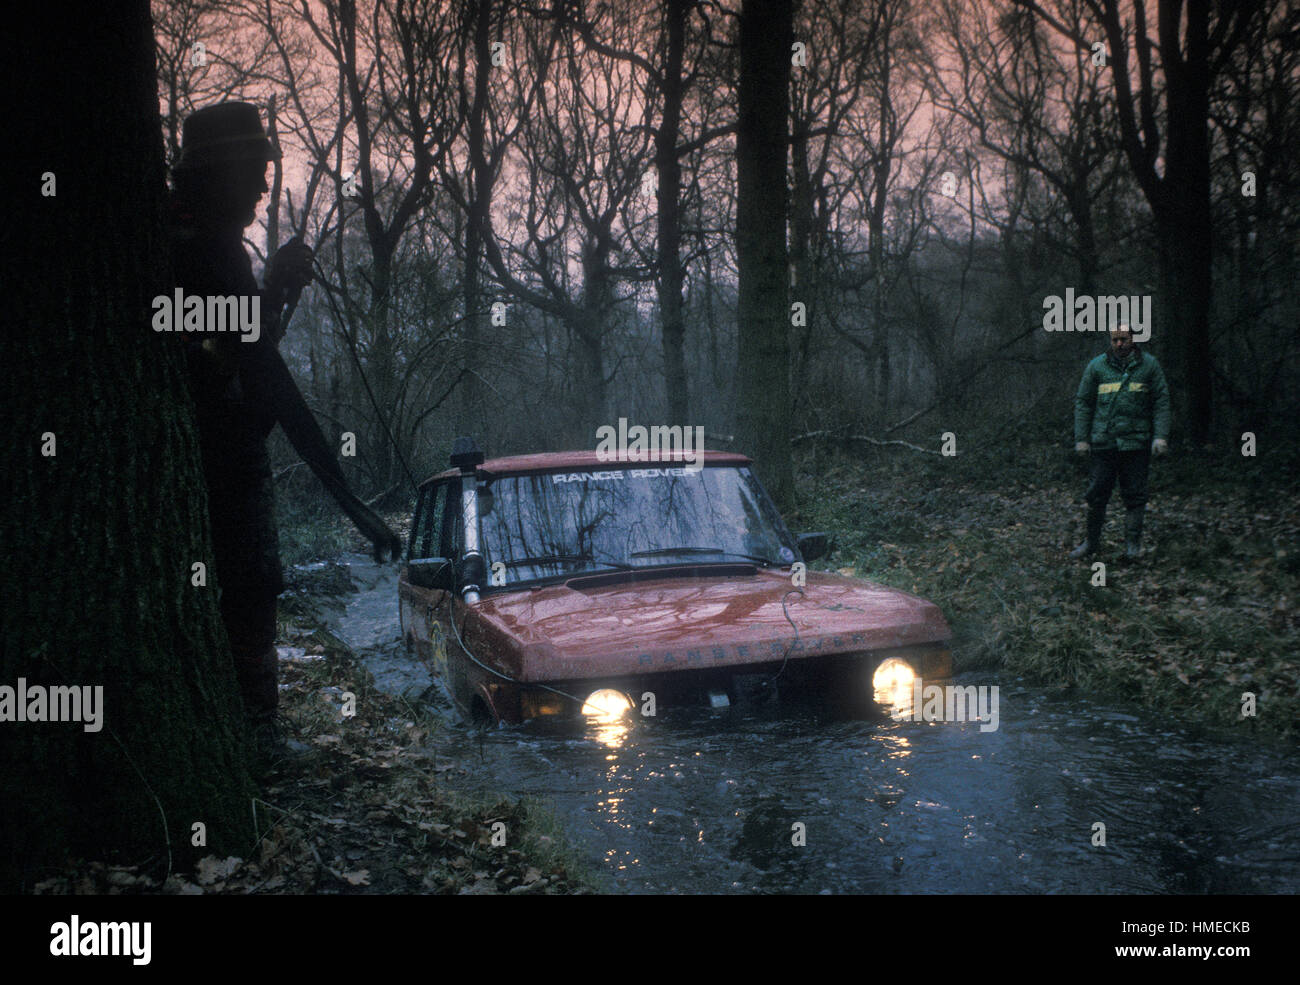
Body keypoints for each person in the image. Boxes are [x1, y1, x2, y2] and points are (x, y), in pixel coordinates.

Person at [169, 102, 314, 759]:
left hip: (225, 455)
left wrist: (275, 295)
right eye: (253, 170)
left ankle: (253, 736)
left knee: (253, 585)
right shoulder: (193, 247)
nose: (262, 184)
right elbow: (225, 367)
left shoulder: (213, 244)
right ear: (218, 174)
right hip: (216, 463)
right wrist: (272, 297)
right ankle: (253, 743)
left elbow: (247, 355)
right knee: (249, 584)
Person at [1070, 323, 1171, 561]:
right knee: (1097, 495)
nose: (1119, 344)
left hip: (1136, 444)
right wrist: (1082, 439)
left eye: (1124, 339)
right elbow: (1083, 402)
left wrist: (1160, 436)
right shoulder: (1096, 366)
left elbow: (1161, 401)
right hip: (1103, 443)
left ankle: (1132, 547)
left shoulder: (1149, 366)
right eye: (1115, 339)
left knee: (1135, 495)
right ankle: (1091, 543)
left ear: (1133, 339)